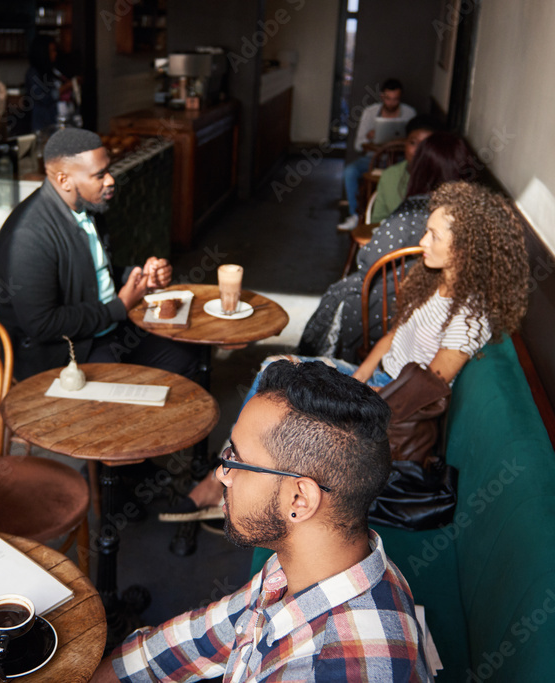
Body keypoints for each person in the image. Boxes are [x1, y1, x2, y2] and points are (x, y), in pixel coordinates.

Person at [168, 181, 530, 523]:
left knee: (274, 376)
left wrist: (355, 392)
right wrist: (355, 377)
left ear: (467, 250)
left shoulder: (469, 316)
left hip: (388, 401)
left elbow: (422, 393)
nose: (422, 241)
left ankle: (225, 480)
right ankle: (233, 477)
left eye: (434, 235)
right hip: (374, 380)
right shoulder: (439, 282)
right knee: (274, 370)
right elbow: (391, 339)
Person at [92, 360, 431, 681]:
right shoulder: (313, 563)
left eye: (236, 460)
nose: (223, 476)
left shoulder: (324, 670)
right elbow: (204, 638)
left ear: (300, 499)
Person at [0, 127, 199, 382]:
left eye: (108, 170)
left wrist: (140, 277)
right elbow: (42, 324)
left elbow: (96, 272)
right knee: (121, 386)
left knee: (186, 354)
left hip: (106, 328)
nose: (110, 180)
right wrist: (119, 307)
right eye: (99, 175)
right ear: (64, 180)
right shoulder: (28, 236)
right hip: (61, 352)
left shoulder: (85, 207)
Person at [299, 132, 480, 362]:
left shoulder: (413, 212)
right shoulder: (468, 218)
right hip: (427, 308)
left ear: (423, 168)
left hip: (388, 308)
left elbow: (369, 259)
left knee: (342, 294)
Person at [338, 78, 417, 231]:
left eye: (396, 99)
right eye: (388, 98)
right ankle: (355, 215)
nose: (392, 103)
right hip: (372, 159)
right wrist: (370, 137)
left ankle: (398, 219)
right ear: (382, 96)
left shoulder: (409, 113)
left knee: (403, 176)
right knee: (349, 171)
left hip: (400, 160)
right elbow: (357, 145)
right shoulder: (370, 113)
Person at [368, 115, 442, 224]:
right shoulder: (390, 175)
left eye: (425, 145)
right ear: (405, 143)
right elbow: (377, 221)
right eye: (413, 143)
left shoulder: (442, 178)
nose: (418, 151)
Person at [24, 35, 73, 133]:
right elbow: (44, 97)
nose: (55, 54)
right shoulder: (33, 74)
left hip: (56, 121)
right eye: (52, 51)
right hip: (43, 125)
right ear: (43, 53)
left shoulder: (52, 71)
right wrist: (66, 87)